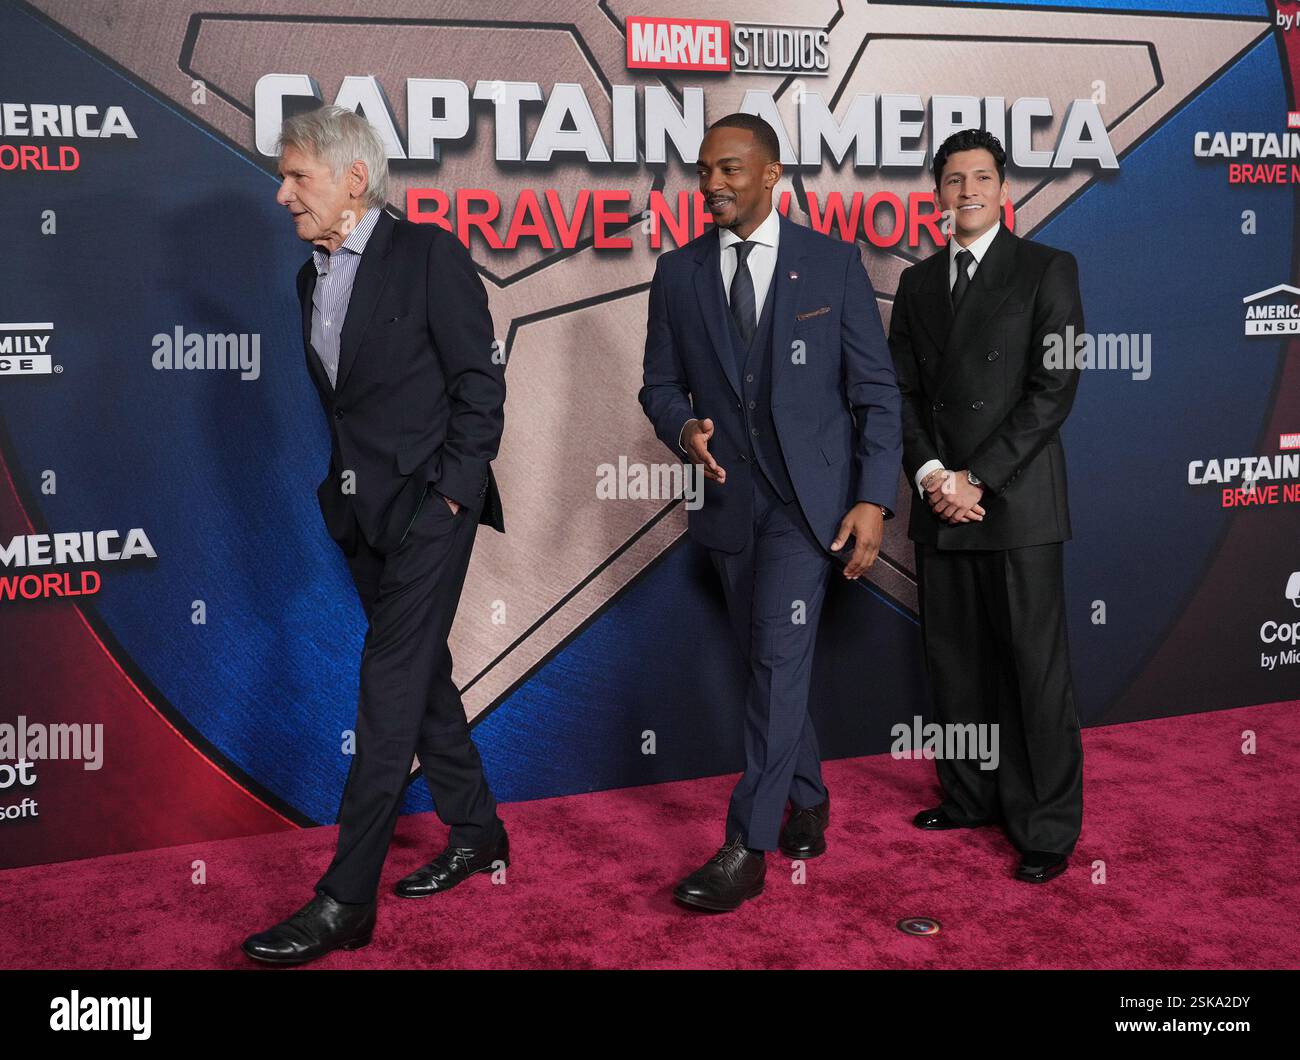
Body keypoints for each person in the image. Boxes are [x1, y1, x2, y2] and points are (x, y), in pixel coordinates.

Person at [242, 105, 508, 965]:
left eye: (297, 177)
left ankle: (345, 899)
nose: (282, 195)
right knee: (423, 675)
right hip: (359, 513)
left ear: (355, 178)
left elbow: (479, 388)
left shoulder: (429, 254)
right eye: (282, 177)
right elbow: (345, 402)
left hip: (435, 510)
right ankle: (478, 832)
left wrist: (453, 502)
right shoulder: (307, 278)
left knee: (388, 687)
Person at [639, 112, 903, 912]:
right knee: (767, 668)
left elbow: (875, 393)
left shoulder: (829, 264)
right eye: (704, 171)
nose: (711, 184)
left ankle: (746, 845)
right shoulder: (678, 273)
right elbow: (656, 384)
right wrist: (683, 428)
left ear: (772, 174)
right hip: (727, 504)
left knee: (779, 663)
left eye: (729, 170)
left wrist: (872, 499)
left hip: (809, 510)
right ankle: (812, 799)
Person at [888, 128, 1084, 884]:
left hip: (1017, 503)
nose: (966, 190)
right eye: (952, 178)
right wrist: (937, 476)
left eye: (981, 177)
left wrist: (980, 479)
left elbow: (1053, 389)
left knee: (1033, 671)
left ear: (1004, 188)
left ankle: (1045, 827)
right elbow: (899, 393)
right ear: (936, 192)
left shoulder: (1047, 269)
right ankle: (969, 797)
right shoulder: (915, 284)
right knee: (956, 666)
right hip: (942, 504)